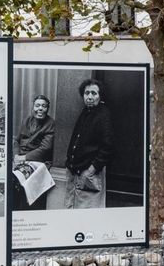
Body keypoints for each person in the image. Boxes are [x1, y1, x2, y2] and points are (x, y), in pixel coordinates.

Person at [65, 78, 113, 207]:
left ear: (100, 96)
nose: (90, 97)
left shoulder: (103, 115)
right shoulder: (85, 112)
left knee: (87, 211)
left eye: (94, 93)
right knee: (72, 208)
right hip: (75, 171)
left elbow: (107, 147)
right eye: (87, 93)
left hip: (90, 173)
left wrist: (91, 170)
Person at [11, 95, 56, 211]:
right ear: (33, 107)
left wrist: (23, 158)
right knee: (9, 177)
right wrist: (16, 156)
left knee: (17, 179)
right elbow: (16, 140)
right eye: (37, 105)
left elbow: (45, 149)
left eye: (44, 106)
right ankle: (14, 210)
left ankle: (22, 210)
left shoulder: (50, 124)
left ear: (47, 109)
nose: (40, 109)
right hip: (20, 158)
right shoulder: (27, 120)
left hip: (38, 161)